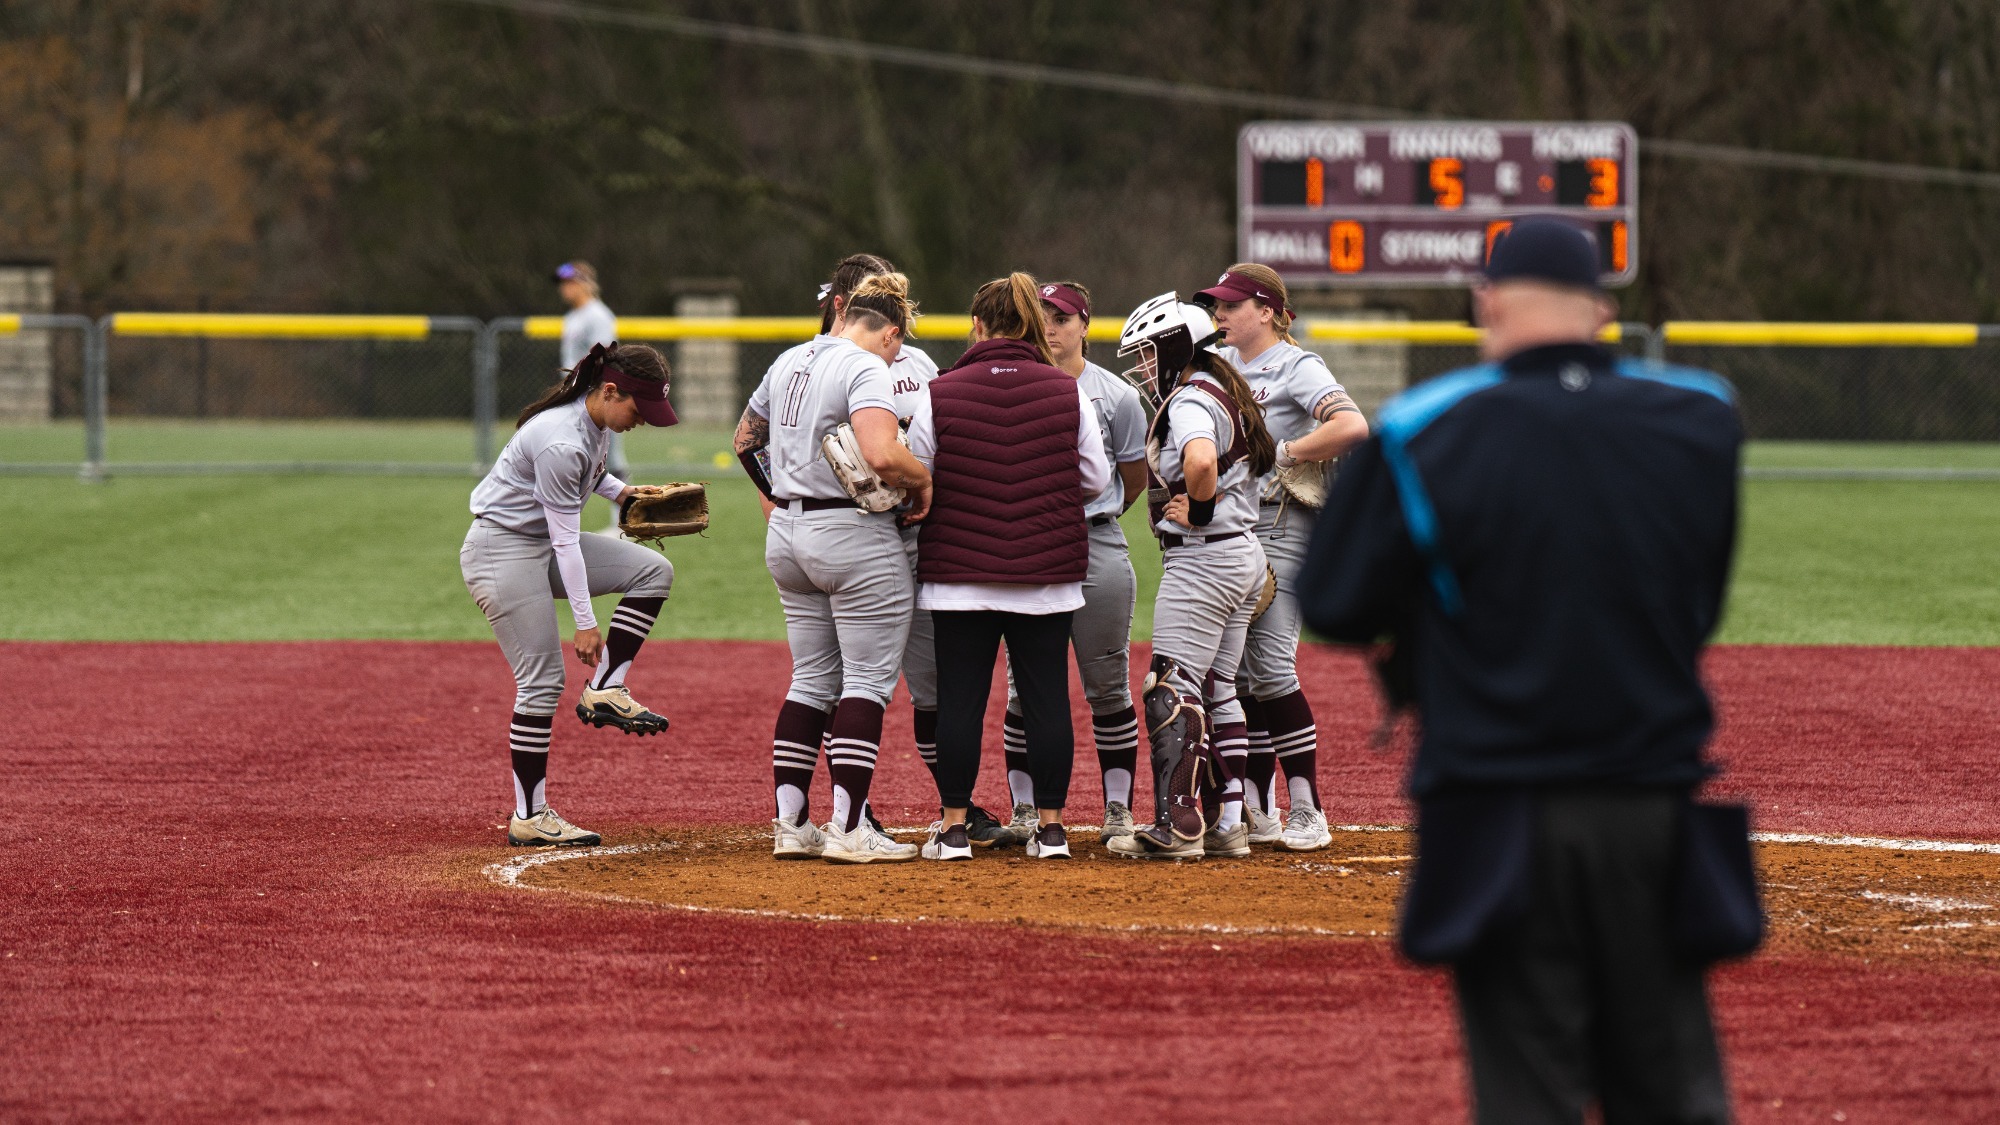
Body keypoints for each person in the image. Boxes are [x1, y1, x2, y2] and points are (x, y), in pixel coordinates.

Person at [1296, 217, 1746, 1123]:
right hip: (1650, 797)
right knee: (1671, 1087)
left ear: (1485, 300)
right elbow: (1700, 597)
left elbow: (1334, 601)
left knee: (1526, 1091)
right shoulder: (1702, 415)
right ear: (1602, 309)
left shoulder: (1427, 427)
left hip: (1498, 802)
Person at [909, 273, 1111, 862]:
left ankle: (952, 830)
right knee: (1047, 700)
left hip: (958, 574)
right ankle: (1051, 831)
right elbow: (1096, 480)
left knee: (961, 702)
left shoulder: (938, 389)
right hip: (1045, 574)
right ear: (1030, 324)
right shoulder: (1066, 390)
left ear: (977, 325)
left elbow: (919, 470)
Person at [735, 273, 933, 864]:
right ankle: (850, 827)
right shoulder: (865, 365)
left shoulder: (790, 359)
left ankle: (791, 824)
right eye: (897, 343)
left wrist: (783, 494)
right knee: (867, 682)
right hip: (851, 534)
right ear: (890, 332)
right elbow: (879, 452)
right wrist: (923, 479)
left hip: (787, 534)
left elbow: (746, 437)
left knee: (811, 679)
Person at [462, 341, 679, 848]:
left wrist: (623, 494)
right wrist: (585, 622)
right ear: (609, 390)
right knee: (542, 681)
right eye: (638, 408)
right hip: (503, 551)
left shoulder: (593, 422)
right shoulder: (561, 439)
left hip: (533, 544)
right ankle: (529, 816)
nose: (642, 420)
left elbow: (593, 473)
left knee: (654, 572)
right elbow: (566, 542)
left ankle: (607, 688)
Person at [1194, 264, 1370, 852]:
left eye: (1230, 304)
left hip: (1280, 526)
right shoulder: (1218, 368)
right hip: (1231, 532)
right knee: (1239, 674)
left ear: (1266, 310)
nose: (1218, 313)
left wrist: (1283, 453)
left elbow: (1352, 425)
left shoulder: (1298, 365)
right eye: (1215, 305)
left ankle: (1308, 810)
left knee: (1270, 667)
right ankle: (1261, 808)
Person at [1104, 294, 1277, 860]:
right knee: (1220, 689)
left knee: (1169, 688)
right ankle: (1229, 821)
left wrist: (1199, 511)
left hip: (1205, 556)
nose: (1143, 366)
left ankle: (1177, 824)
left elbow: (1200, 462)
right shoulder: (1224, 387)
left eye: (1149, 354)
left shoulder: (1190, 399)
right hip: (1241, 554)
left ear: (1177, 345)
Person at [993, 281, 1149, 841]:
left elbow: (1133, 477)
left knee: (1108, 687)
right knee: (1022, 689)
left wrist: (1101, 513)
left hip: (1096, 542)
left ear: (1086, 324)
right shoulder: (1018, 386)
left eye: (1062, 317)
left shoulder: (1116, 394)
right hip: (1033, 544)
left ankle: (1117, 810)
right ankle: (1025, 810)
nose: (1052, 327)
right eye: (1043, 317)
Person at [554, 261, 627, 523]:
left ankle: (622, 522)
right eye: (563, 283)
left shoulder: (598, 315)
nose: (565, 289)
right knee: (571, 454)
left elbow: (607, 355)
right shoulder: (572, 316)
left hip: (595, 395)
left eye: (570, 282)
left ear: (585, 283)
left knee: (610, 455)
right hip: (573, 395)